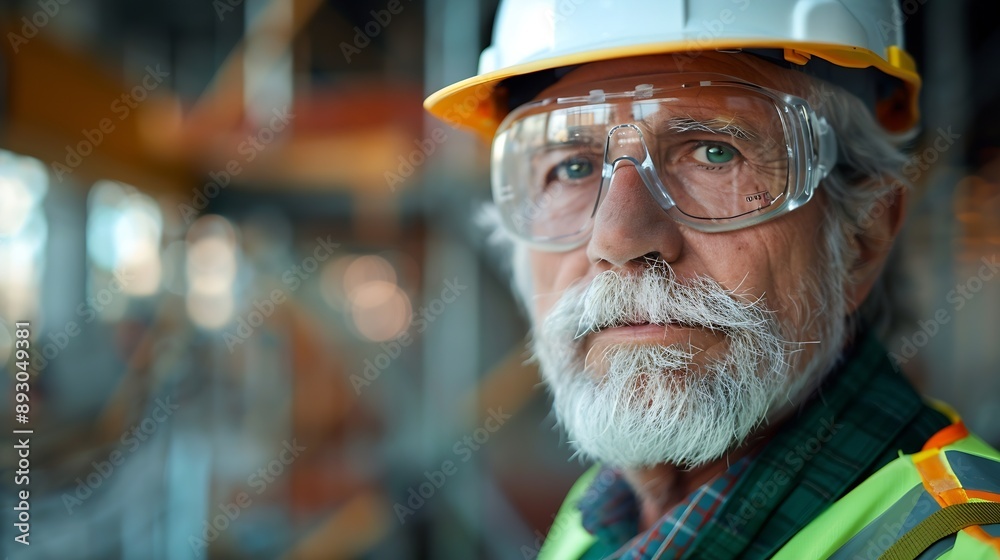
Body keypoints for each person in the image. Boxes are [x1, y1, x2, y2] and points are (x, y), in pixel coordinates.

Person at [424, 0, 1000, 558]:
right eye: (571, 168)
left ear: (862, 238)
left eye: (713, 153)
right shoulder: (594, 519)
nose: (617, 240)